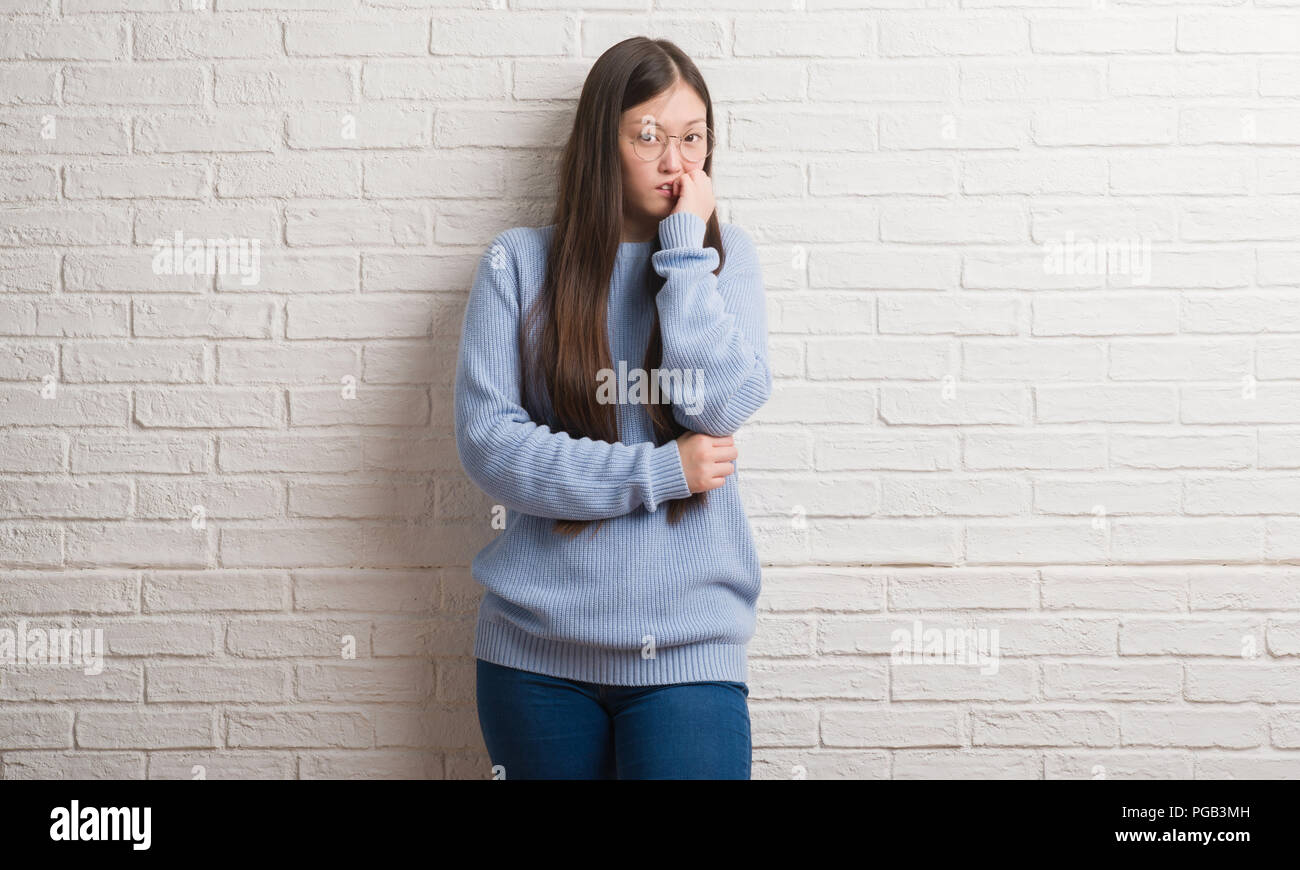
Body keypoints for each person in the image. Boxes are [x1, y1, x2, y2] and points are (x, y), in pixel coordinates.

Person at [453, 36, 772, 779]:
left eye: (693, 138)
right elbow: (492, 446)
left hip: (690, 654)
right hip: (534, 657)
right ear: (604, 142)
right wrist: (662, 471)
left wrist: (685, 254)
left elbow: (720, 405)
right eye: (649, 136)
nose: (676, 162)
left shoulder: (728, 261)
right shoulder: (518, 264)